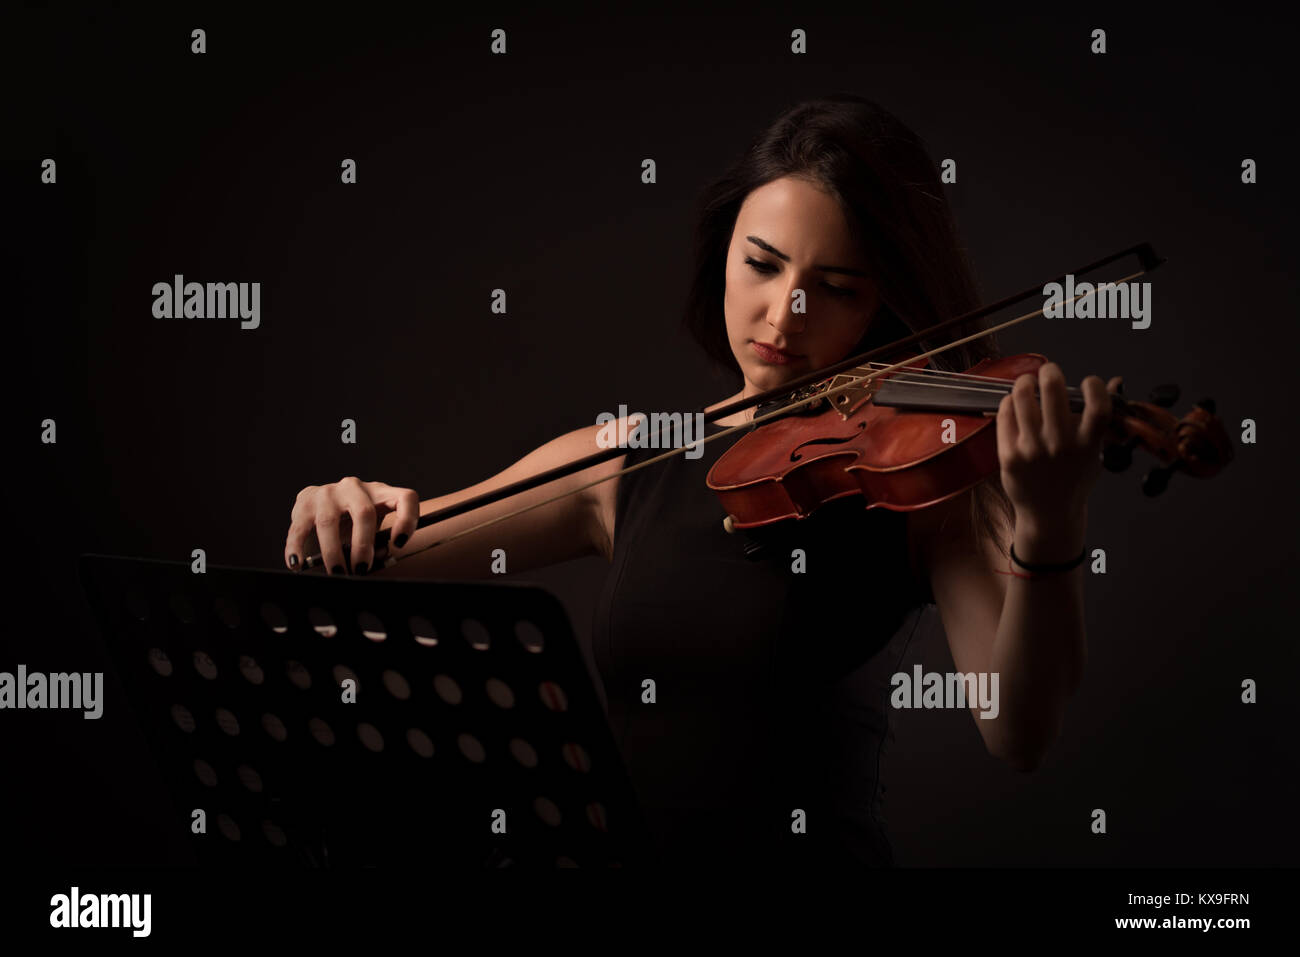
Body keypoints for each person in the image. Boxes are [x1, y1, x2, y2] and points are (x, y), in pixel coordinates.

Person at [282, 94, 1120, 867]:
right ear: (723, 251)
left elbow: (1017, 729)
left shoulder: (916, 483)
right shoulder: (626, 461)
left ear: (884, 307)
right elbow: (368, 559)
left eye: (834, 288)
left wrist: (1048, 523)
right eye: (762, 264)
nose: (784, 312)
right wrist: (344, 505)